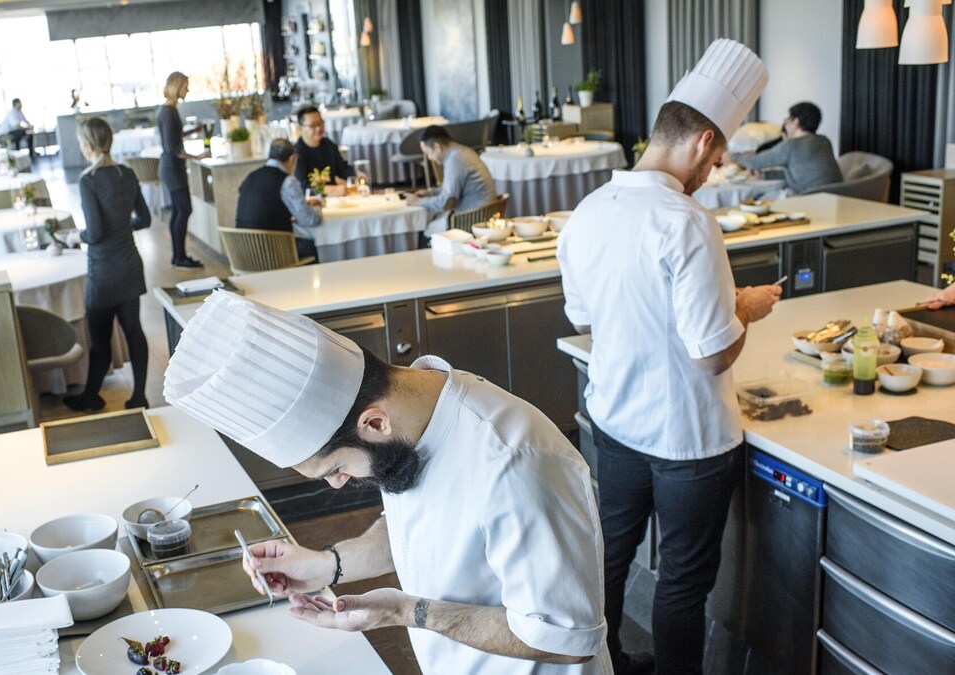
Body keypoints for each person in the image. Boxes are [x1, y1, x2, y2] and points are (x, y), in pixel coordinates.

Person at [164, 291, 610, 675]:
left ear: (374, 422)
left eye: (334, 467)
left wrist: (405, 611)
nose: (338, 485)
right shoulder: (409, 423)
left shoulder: (516, 464)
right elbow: (417, 524)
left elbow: (564, 639)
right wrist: (326, 565)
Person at [556, 39, 782, 675]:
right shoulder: (687, 220)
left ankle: (605, 665)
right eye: (716, 161)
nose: (711, 175)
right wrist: (745, 310)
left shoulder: (586, 212)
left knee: (610, 557)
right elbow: (713, 357)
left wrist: (711, 304)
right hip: (688, 441)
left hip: (616, 423)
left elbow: (585, 319)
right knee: (682, 585)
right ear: (704, 142)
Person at [62, 117, 151, 412]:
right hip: (129, 264)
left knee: (99, 340)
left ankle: (90, 398)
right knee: (134, 332)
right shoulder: (127, 173)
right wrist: (123, 229)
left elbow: (95, 233)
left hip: (104, 272)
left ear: (87, 145)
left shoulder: (89, 180)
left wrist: (76, 236)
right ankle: (139, 396)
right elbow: (145, 219)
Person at [235, 138, 322, 260]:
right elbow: (310, 220)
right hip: (273, 254)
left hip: (244, 254)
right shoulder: (287, 181)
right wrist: (317, 207)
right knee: (313, 245)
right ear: (292, 159)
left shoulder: (251, 176)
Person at [729, 102, 843, 194]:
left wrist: (733, 156)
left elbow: (757, 162)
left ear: (796, 122)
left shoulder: (792, 145)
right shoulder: (824, 141)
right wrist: (766, 175)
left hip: (809, 199)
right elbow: (800, 173)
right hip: (836, 197)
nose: (785, 125)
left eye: (787, 120)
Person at [159, 72, 208, 269]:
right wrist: (197, 157)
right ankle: (180, 256)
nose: (187, 89)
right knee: (184, 209)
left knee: (179, 211)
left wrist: (194, 131)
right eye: (185, 86)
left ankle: (178, 256)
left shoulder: (167, 110)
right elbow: (173, 149)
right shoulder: (169, 112)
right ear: (176, 87)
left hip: (170, 168)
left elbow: (173, 137)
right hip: (173, 169)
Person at [406, 126, 495, 227]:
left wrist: (418, 201)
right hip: (484, 213)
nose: (430, 158)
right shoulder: (462, 151)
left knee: (423, 227)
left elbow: (446, 203)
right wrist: (430, 192)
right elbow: (454, 190)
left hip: (472, 219)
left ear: (437, 147)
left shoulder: (455, 160)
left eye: (428, 153)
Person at [293, 106, 357, 190]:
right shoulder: (296, 154)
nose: (318, 128)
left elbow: (341, 170)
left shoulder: (328, 145)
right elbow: (303, 186)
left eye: (320, 123)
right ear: (300, 128)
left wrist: (356, 173)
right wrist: (331, 189)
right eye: (312, 125)